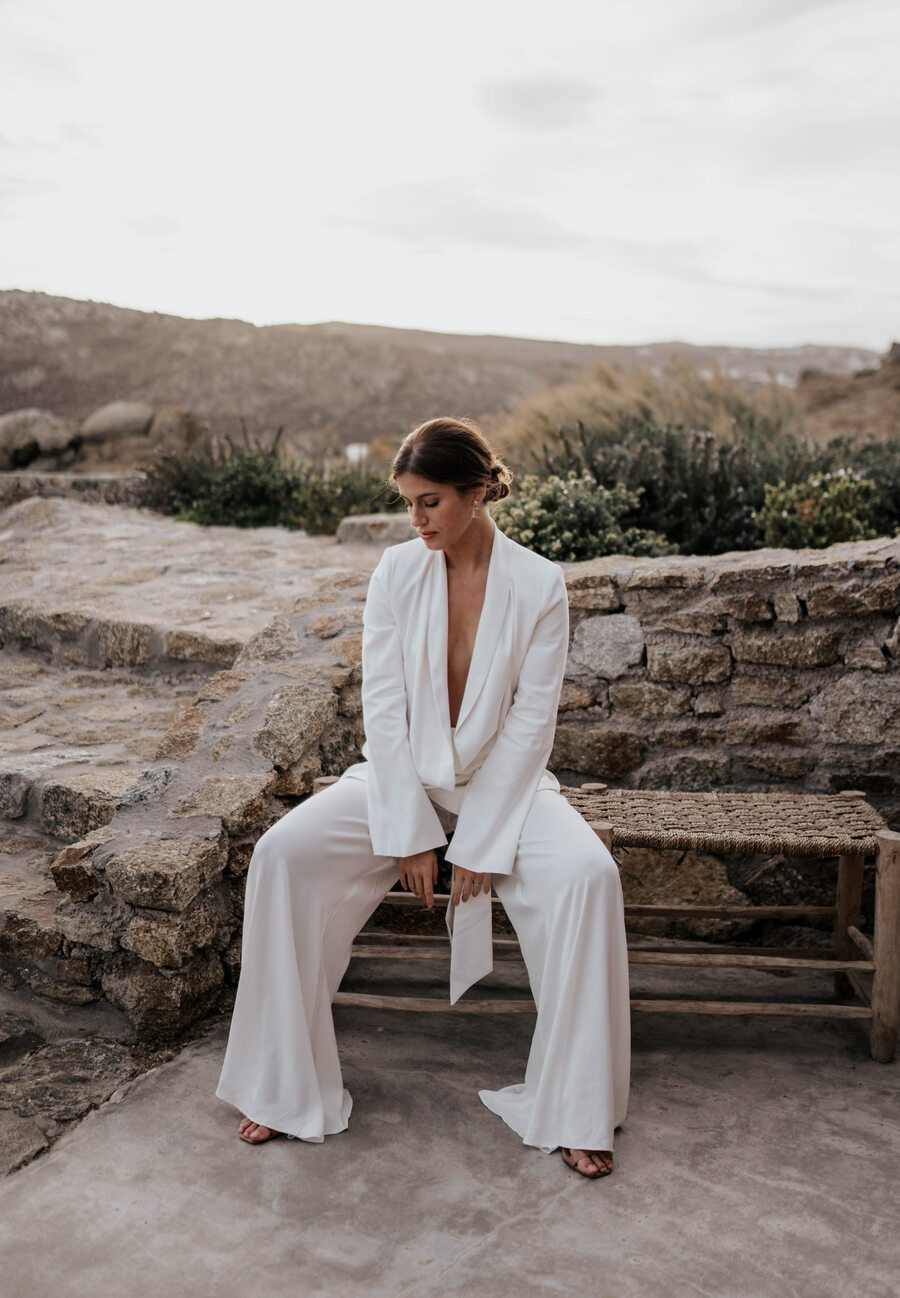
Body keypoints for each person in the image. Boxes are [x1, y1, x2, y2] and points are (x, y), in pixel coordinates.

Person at [215, 415, 631, 1179]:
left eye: (430, 501)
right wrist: (410, 831)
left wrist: (478, 845)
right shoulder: (396, 574)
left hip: (504, 789)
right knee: (282, 856)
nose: (415, 520)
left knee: (589, 878)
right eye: (408, 502)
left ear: (477, 493)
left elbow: (531, 725)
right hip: (399, 778)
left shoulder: (539, 585)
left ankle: (577, 1106)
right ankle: (281, 1088)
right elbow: (385, 709)